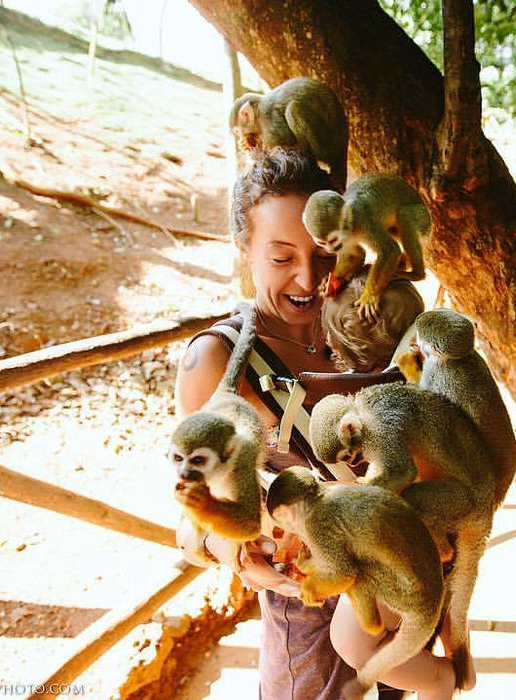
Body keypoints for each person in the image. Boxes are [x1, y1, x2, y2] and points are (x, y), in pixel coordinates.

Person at [174, 149, 453, 699]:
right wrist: (236, 552)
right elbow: (189, 519)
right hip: (308, 619)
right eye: (281, 257)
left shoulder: (374, 325)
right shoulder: (217, 361)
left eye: (324, 254)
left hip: (401, 583)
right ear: (244, 249)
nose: (308, 277)